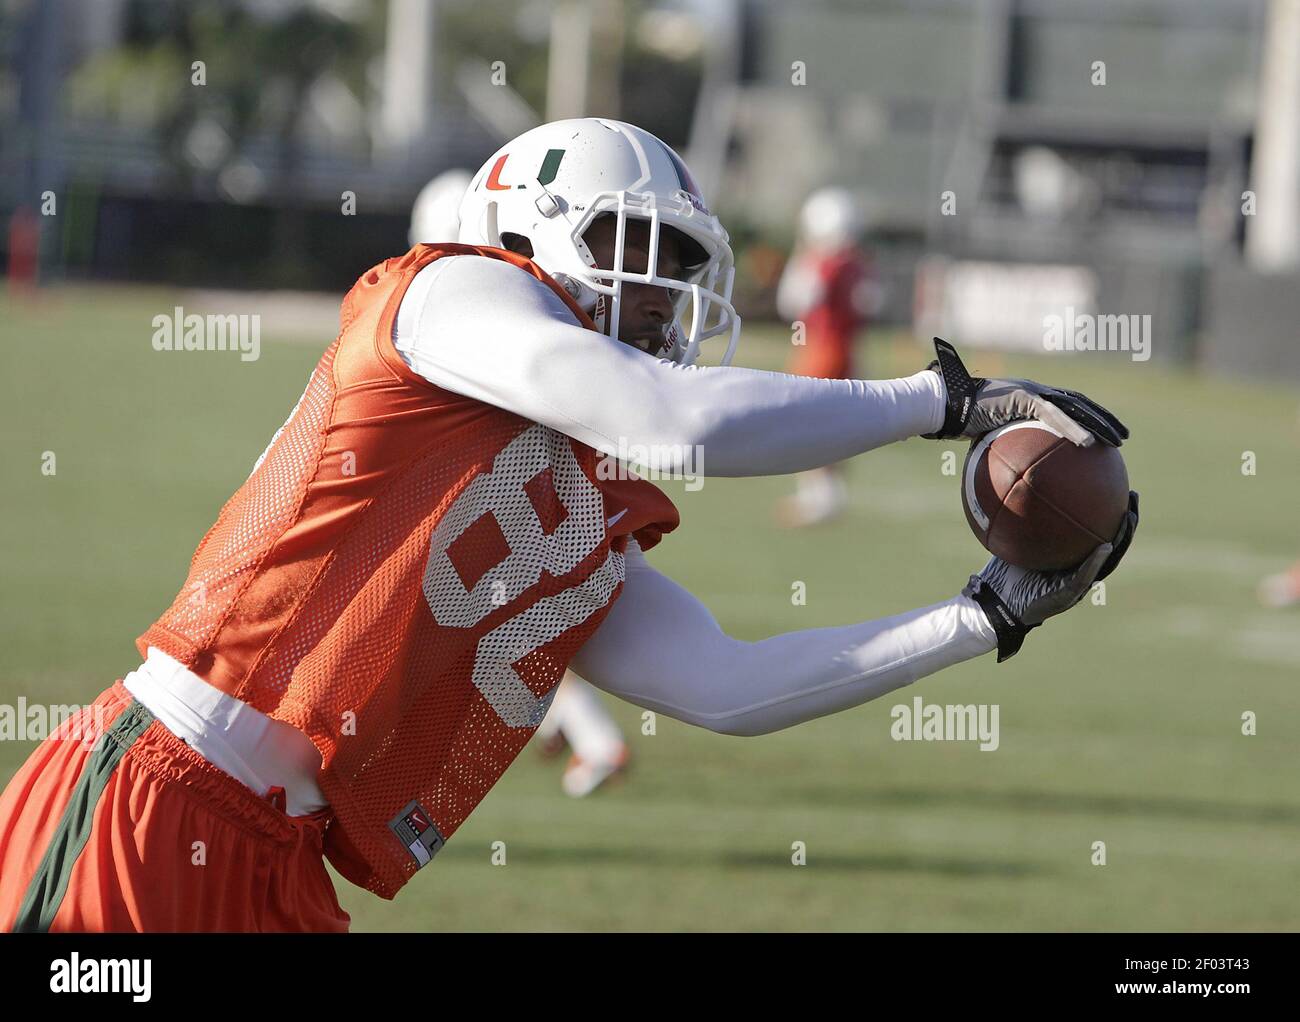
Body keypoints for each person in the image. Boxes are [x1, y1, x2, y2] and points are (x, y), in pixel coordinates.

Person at [0, 118, 1136, 932]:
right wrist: (936, 402)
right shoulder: (446, 294)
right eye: (635, 252)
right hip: (157, 801)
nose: (659, 298)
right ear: (522, 228)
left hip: (279, 857)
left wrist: (980, 616)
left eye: (681, 270)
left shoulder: (573, 490)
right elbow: (668, 417)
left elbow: (728, 687)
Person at [775, 187, 875, 526]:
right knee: (835, 421)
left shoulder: (825, 263)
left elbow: (795, 301)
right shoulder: (857, 262)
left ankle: (818, 498)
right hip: (847, 348)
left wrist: (802, 259)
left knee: (808, 419)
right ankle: (830, 494)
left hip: (820, 348)